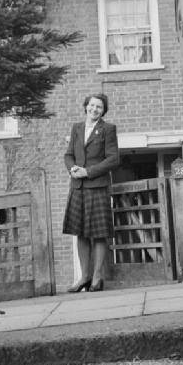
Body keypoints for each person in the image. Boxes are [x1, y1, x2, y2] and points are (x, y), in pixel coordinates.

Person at [63, 93, 120, 293]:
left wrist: (88, 172)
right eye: (92, 105)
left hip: (97, 187)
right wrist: (72, 168)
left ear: (103, 111)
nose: (94, 109)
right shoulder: (77, 128)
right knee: (81, 233)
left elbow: (113, 159)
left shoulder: (108, 129)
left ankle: (97, 278)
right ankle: (84, 277)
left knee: (99, 234)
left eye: (99, 107)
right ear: (86, 106)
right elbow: (69, 155)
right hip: (78, 187)